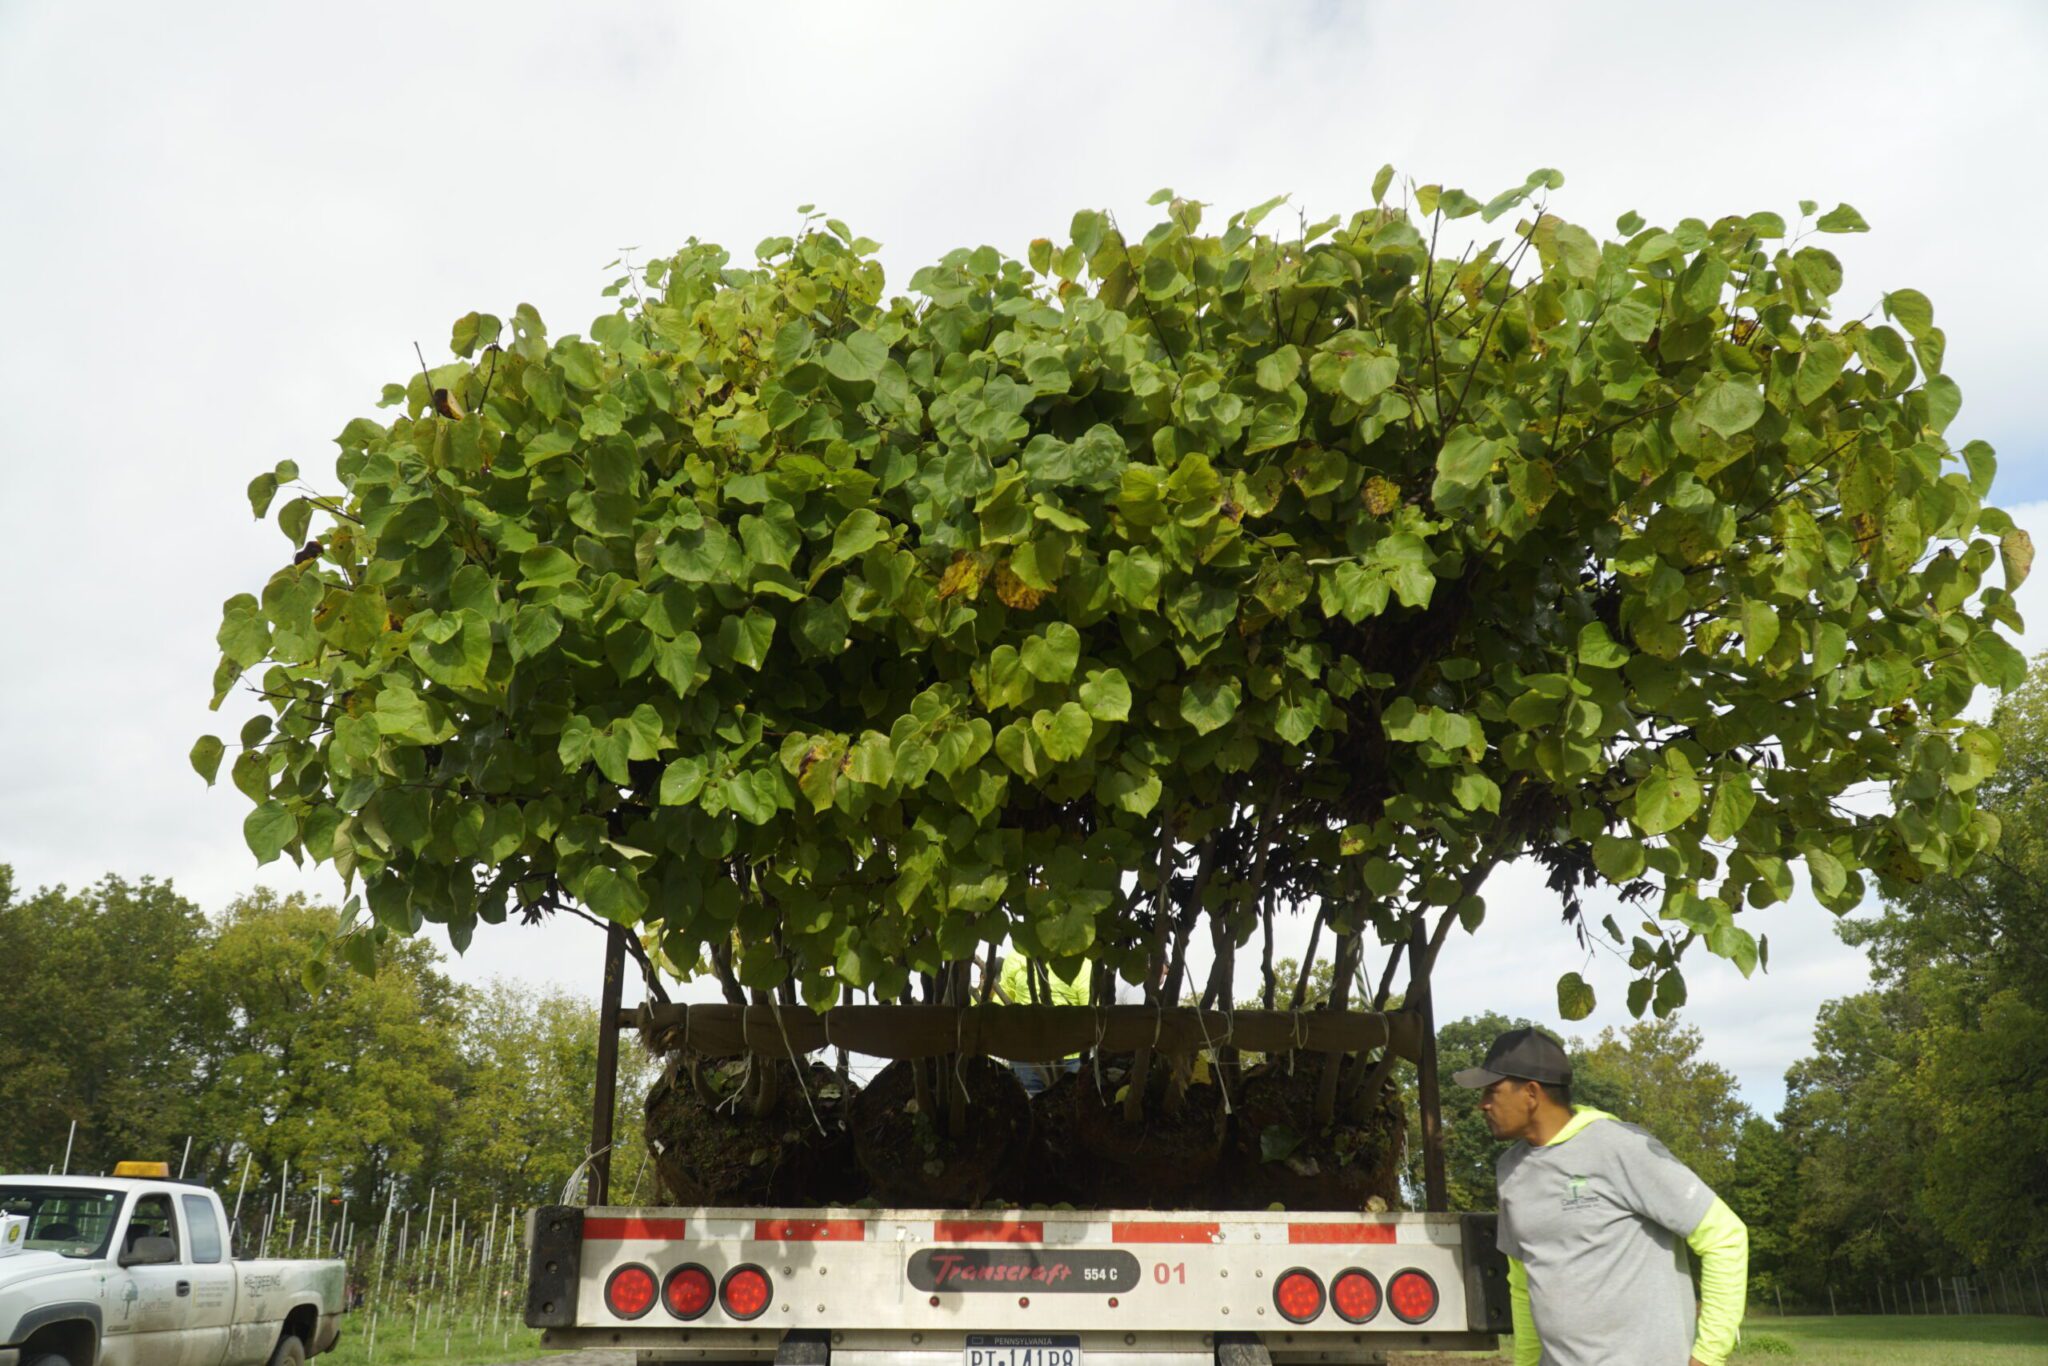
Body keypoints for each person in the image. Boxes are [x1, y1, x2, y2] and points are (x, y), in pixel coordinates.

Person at [1453, 1026, 1748, 1366]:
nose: (1482, 1104)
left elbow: (1725, 1237)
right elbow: (1522, 1281)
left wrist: (1708, 1356)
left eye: (1492, 1091)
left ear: (1531, 1093)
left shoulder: (1620, 1147)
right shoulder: (1511, 1170)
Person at [994, 949, 1090, 1095]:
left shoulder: (1079, 961)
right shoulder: (1016, 956)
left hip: (1070, 1058)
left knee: (1069, 1107)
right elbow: (1004, 996)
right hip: (1025, 1057)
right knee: (1029, 1109)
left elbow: (1088, 1011)